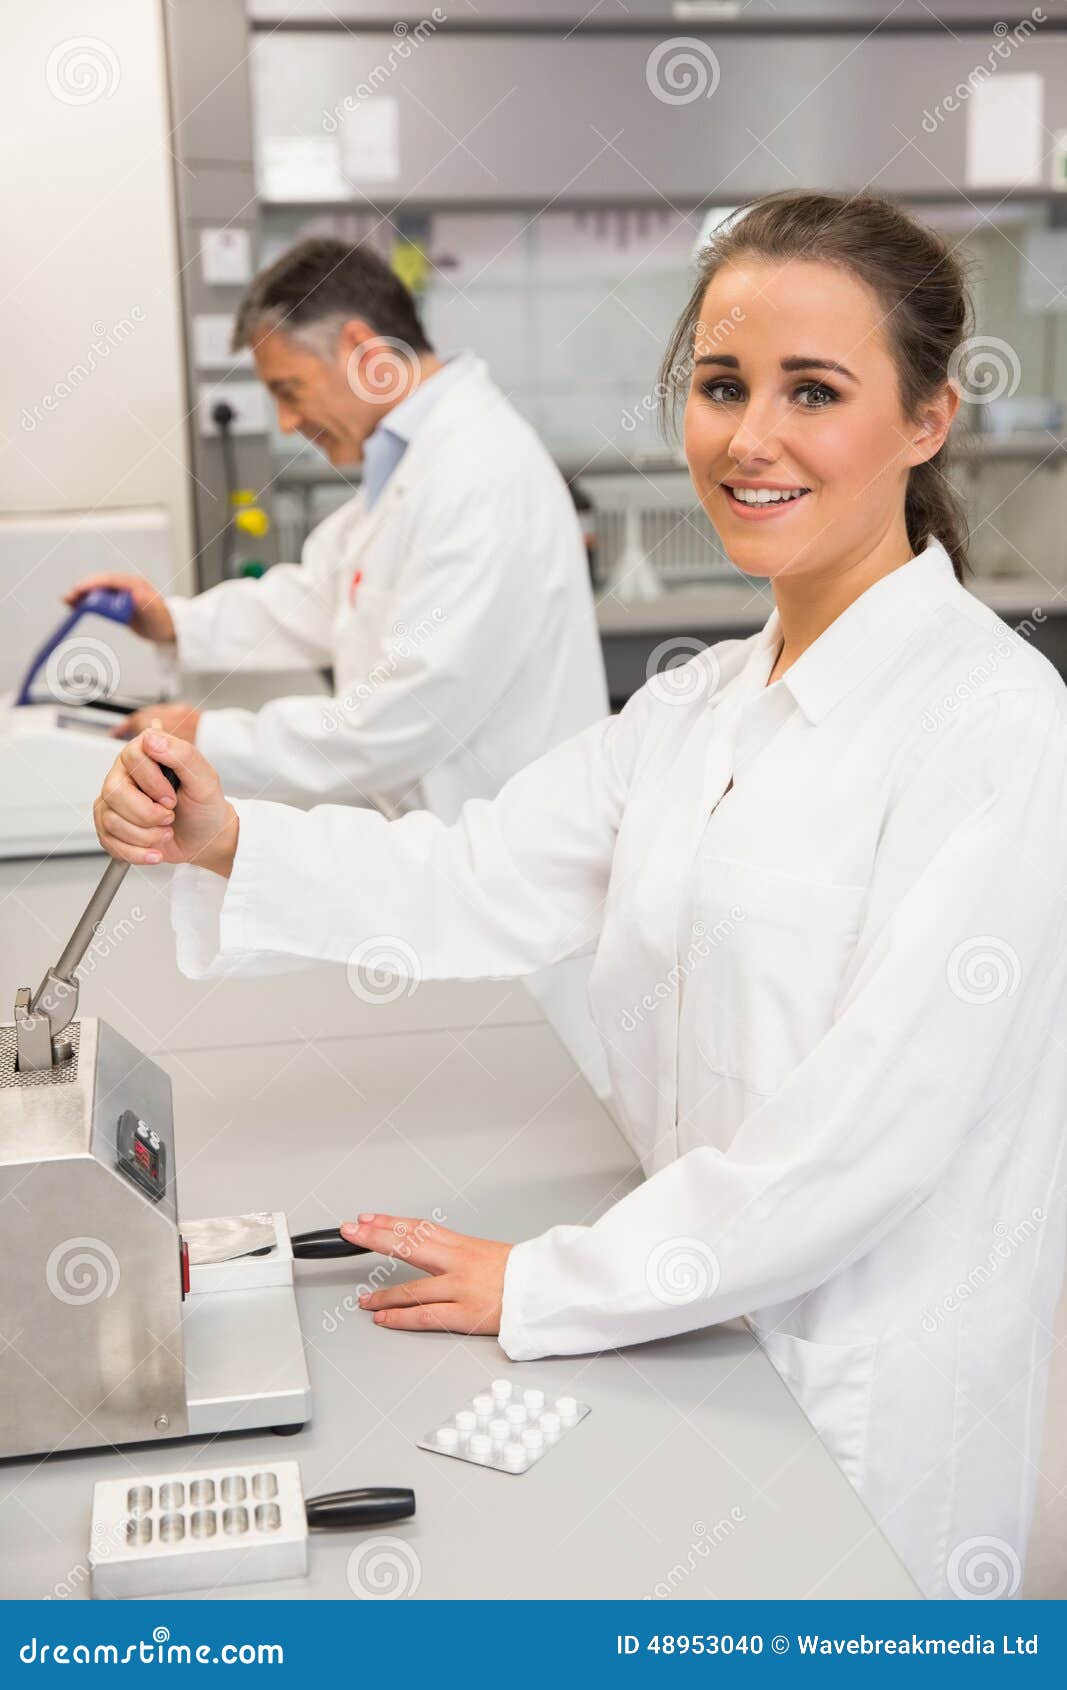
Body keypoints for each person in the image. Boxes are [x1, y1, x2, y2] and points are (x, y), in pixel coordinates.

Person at [95, 190, 1067, 1602]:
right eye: (721, 386)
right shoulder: (697, 706)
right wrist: (224, 832)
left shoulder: (994, 726)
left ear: (924, 418)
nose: (749, 438)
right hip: (693, 1323)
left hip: (854, 1385)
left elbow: (872, 1128)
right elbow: (475, 869)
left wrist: (549, 1283)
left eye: (814, 390)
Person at [69, 235, 610, 1091]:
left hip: (516, 904)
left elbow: (405, 715)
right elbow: (319, 596)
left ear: (362, 353)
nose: (286, 422)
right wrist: (170, 621)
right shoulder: (406, 471)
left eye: (289, 390)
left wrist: (204, 734)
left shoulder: (481, 473)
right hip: (446, 880)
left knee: (532, 1121)